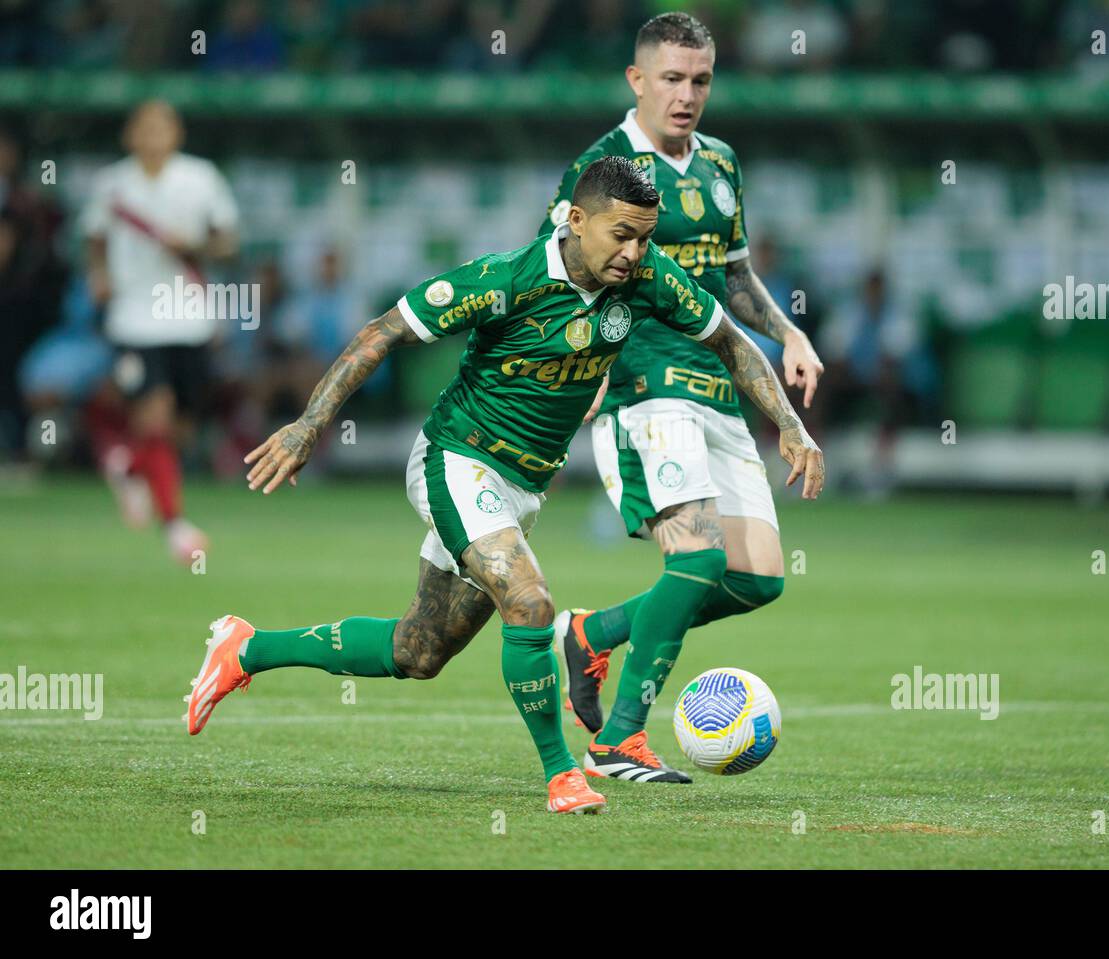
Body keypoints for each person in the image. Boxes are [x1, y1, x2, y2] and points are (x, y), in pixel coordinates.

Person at [185, 156, 824, 814]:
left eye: (645, 237)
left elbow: (729, 340)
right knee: (530, 601)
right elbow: (383, 332)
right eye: (621, 235)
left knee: (419, 648)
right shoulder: (505, 280)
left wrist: (790, 426)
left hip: (522, 487)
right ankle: (563, 774)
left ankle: (247, 647)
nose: (635, 253)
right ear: (576, 221)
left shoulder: (649, 277)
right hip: (457, 459)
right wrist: (309, 425)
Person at [537, 12, 824, 779]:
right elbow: (556, 277)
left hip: (717, 386)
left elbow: (732, 276)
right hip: (642, 389)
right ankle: (618, 739)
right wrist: (581, 364)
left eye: (700, 79)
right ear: (637, 80)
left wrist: (788, 334)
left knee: (759, 575)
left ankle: (593, 634)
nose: (687, 94)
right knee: (695, 560)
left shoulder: (722, 163)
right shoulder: (600, 170)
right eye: (671, 78)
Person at [82, 100, 239, 561]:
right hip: (134, 318)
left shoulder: (201, 177)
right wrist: (99, 275)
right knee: (156, 415)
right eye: (143, 128)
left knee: (180, 429)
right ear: (130, 136)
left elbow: (227, 242)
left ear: (176, 134)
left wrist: (194, 244)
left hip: (189, 318)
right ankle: (176, 527)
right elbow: (95, 239)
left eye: (161, 128)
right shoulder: (112, 183)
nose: (151, 136)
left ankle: (127, 467)